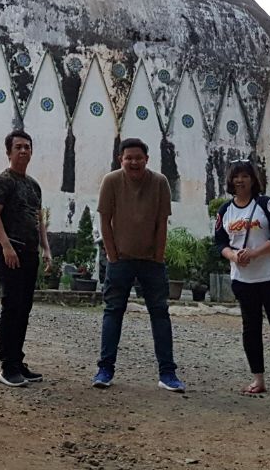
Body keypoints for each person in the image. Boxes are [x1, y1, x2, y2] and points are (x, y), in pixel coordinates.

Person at [93, 137, 185, 392]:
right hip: (120, 260)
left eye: (138, 158)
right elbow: (105, 220)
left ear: (147, 159)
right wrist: (112, 255)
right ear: (120, 160)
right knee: (113, 311)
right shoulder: (111, 181)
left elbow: (161, 222)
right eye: (128, 158)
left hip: (151, 262)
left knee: (160, 313)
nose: (133, 162)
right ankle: (105, 369)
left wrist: (158, 256)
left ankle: (167, 373)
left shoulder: (159, 182)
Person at [213, 159, 270, 400]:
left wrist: (254, 253)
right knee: (250, 329)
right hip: (243, 279)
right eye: (236, 176)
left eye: (245, 176)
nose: (240, 180)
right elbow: (220, 242)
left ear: (253, 179)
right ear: (230, 181)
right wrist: (233, 256)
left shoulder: (266, 204)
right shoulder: (225, 210)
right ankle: (258, 379)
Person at [0, 129, 53, 388]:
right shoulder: (3, 181)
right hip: (11, 253)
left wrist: (46, 249)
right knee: (11, 308)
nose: (24, 150)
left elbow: (38, 220)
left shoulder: (33, 185)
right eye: (19, 147)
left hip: (29, 253)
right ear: (9, 152)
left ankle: (18, 360)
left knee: (24, 309)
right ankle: (8, 366)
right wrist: (6, 246)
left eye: (27, 146)